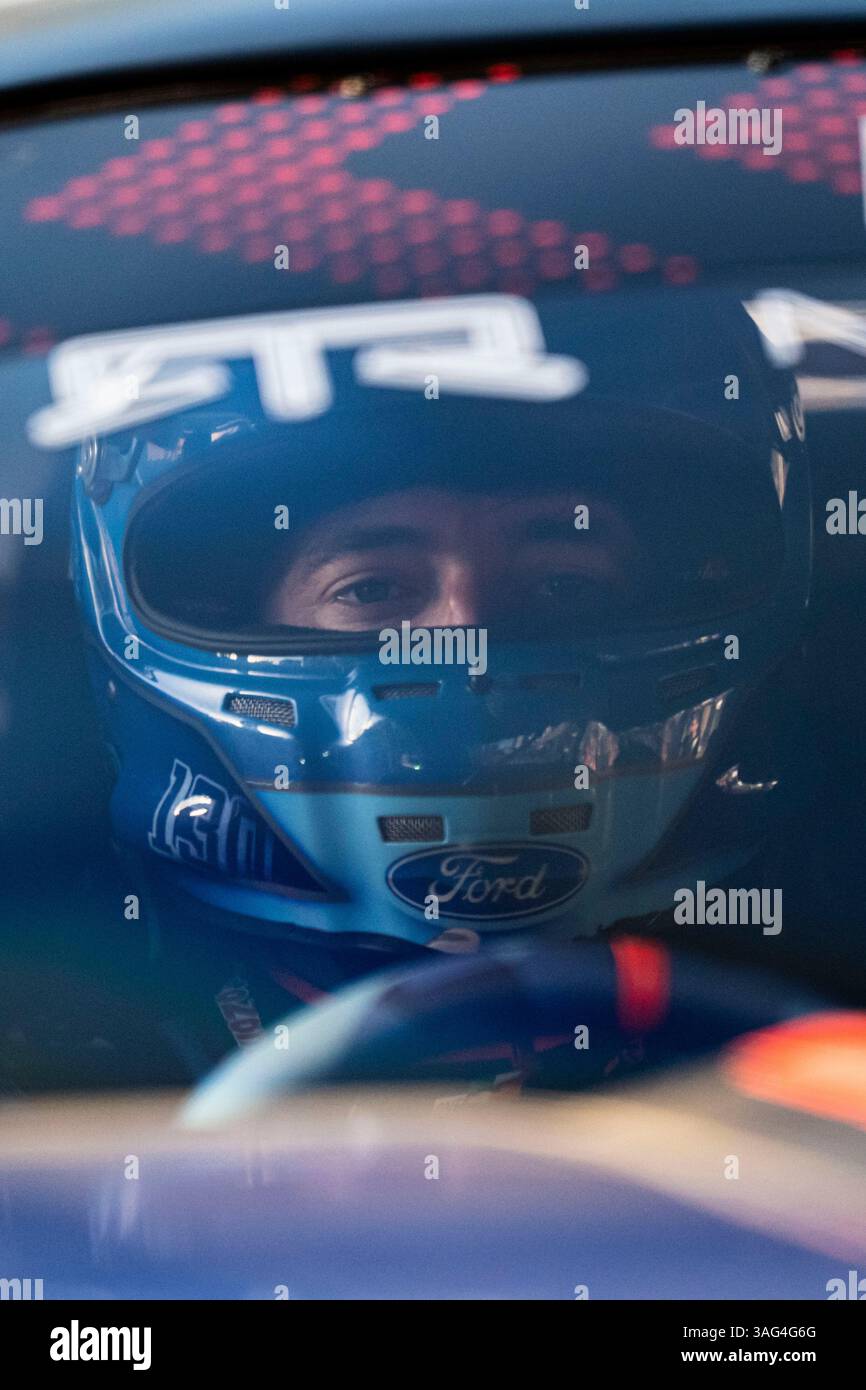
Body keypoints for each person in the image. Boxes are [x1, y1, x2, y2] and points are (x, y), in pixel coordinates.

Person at [9, 289, 814, 1088]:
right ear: (233, 607)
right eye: (371, 589)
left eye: (562, 584)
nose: (465, 647)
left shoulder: (826, 961)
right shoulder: (49, 1036)